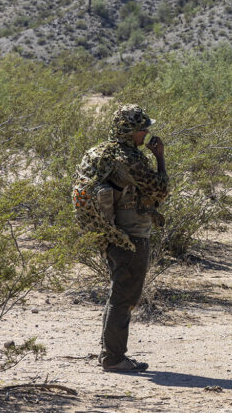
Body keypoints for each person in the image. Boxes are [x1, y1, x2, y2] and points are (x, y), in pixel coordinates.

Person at [71, 104, 169, 372]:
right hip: (130, 235)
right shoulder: (128, 158)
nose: (146, 133)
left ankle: (111, 354)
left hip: (109, 232)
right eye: (142, 129)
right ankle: (113, 358)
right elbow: (160, 190)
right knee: (124, 296)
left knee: (119, 293)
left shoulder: (98, 153)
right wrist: (160, 157)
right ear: (129, 131)